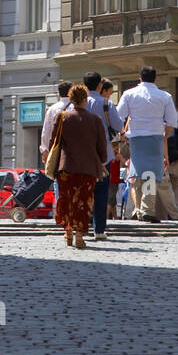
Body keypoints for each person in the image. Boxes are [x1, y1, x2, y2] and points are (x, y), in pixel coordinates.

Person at [117, 68, 178, 222]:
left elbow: (119, 116)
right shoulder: (165, 96)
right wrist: (165, 132)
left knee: (137, 173)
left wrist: (123, 134)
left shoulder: (129, 94)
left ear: (140, 78)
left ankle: (140, 209)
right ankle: (147, 209)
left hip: (136, 137)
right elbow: (172, 121)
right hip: (155, 136)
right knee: (151, 174)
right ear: (155, 78)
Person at [53, 84, 106, 249]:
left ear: (71, 99)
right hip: (88, 168)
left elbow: (54, 142)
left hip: (66, 167)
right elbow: (102, 147)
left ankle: (68, 231)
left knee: (67, 199)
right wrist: (101, 161)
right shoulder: (95, 120)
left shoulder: (62, 118)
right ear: (85, 100)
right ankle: (79, 236)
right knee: (83, 202)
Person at [84, 73, 123, 239]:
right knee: (101, 192)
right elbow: (119, 125)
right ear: (100, 85)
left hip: (82, 155)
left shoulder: (78, 104)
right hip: (102, 155)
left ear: (85, 86)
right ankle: (99, 229)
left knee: (83, 191)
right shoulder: (106, 103)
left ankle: (82, 226)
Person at [40, 81, 71, 218]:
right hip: (72, 150)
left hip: (57, 149)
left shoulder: (53, 109)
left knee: (59, 180)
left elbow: (46, 131)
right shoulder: (75, 108)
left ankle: (61, 211)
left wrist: (45, 150)